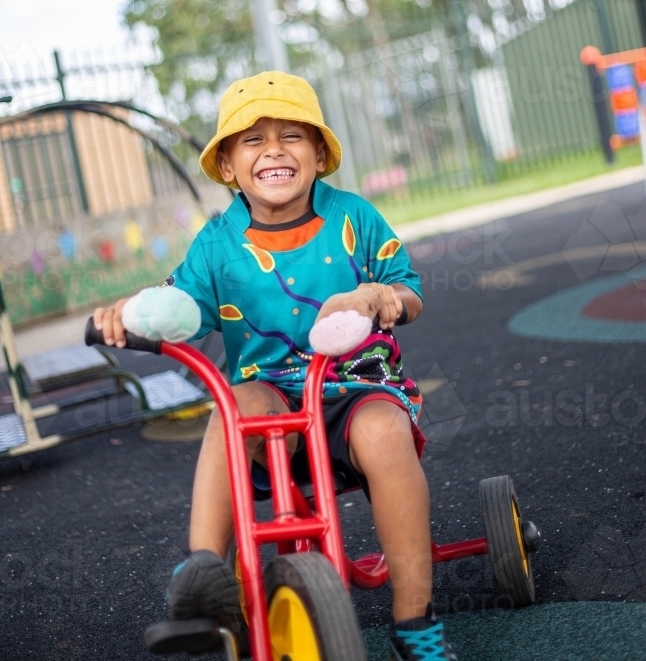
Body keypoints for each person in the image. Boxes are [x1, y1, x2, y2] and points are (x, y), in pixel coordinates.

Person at [95, 71, 457, 661]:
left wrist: (384, 298)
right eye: (252, 141)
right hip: (271, 396)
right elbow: (177, 305)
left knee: (385, 433)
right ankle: (206, 573)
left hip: (354, 384)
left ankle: (415, 619)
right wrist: (134, 313)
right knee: (234, 407)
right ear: (230, 167)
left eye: (291, 135)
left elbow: (407, 289)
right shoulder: (217, 243)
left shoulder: (354, 217)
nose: (274, 150)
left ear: (318, 153)